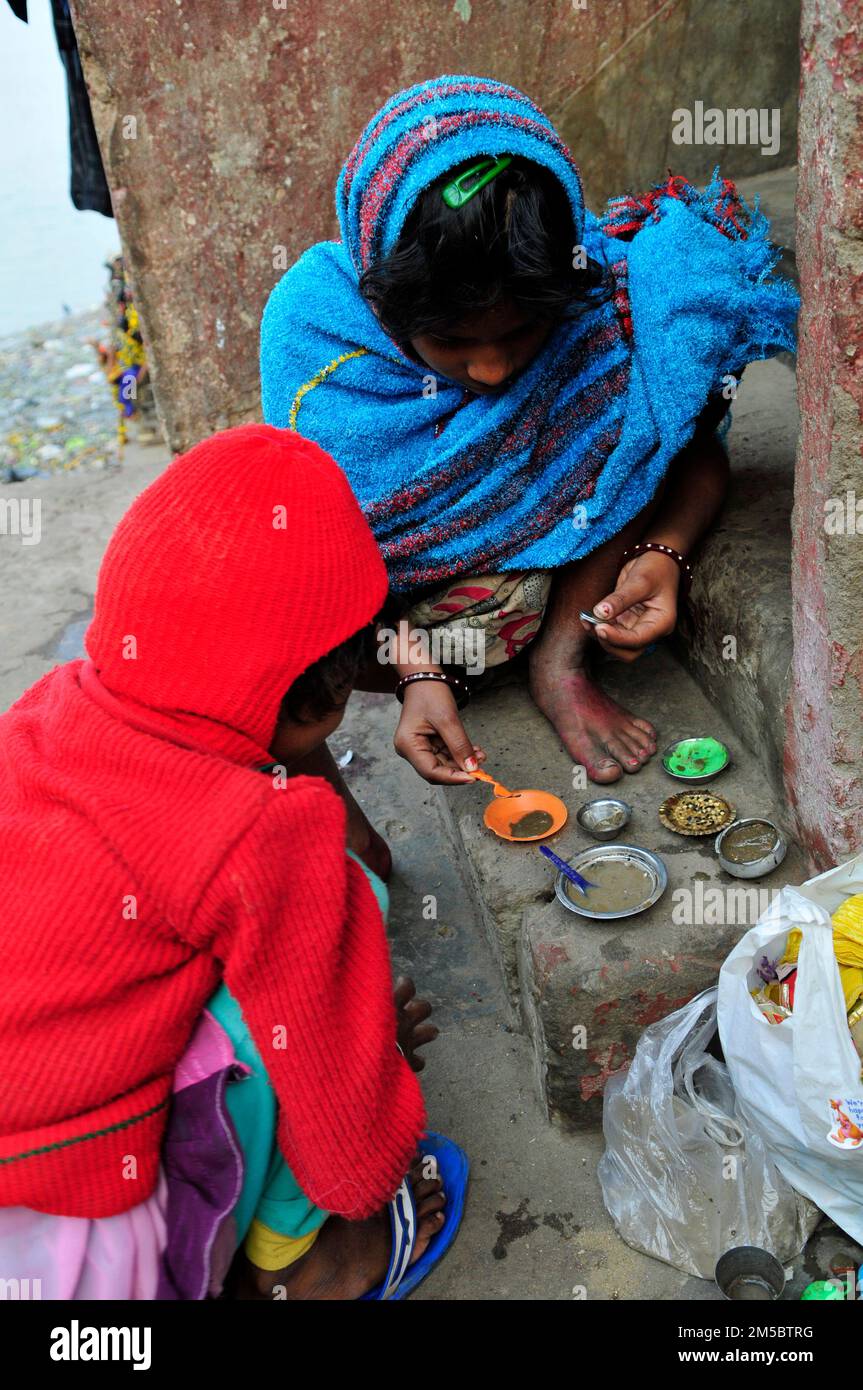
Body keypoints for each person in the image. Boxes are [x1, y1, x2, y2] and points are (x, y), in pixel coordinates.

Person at [260, 74, 798, 864]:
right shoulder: (316, 337)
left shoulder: (600, 302)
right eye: (451, 343)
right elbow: (329, 556)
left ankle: (556, 658)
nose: (490, 371)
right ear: (384, 300)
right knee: (265, 637)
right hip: (394, 618)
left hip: (540, 589)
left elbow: (691, 458)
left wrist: (662, 555)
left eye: (519, 335)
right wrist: (416, 674)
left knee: (639, 442)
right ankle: (337, 830)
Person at [0, 424, 465, 1300]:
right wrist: (375, 1072)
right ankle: (314, 1264)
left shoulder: (46, 712)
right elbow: (345, 1134)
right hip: (81, 1244)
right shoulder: (263, 836)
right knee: (338, 921)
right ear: (326, 695)